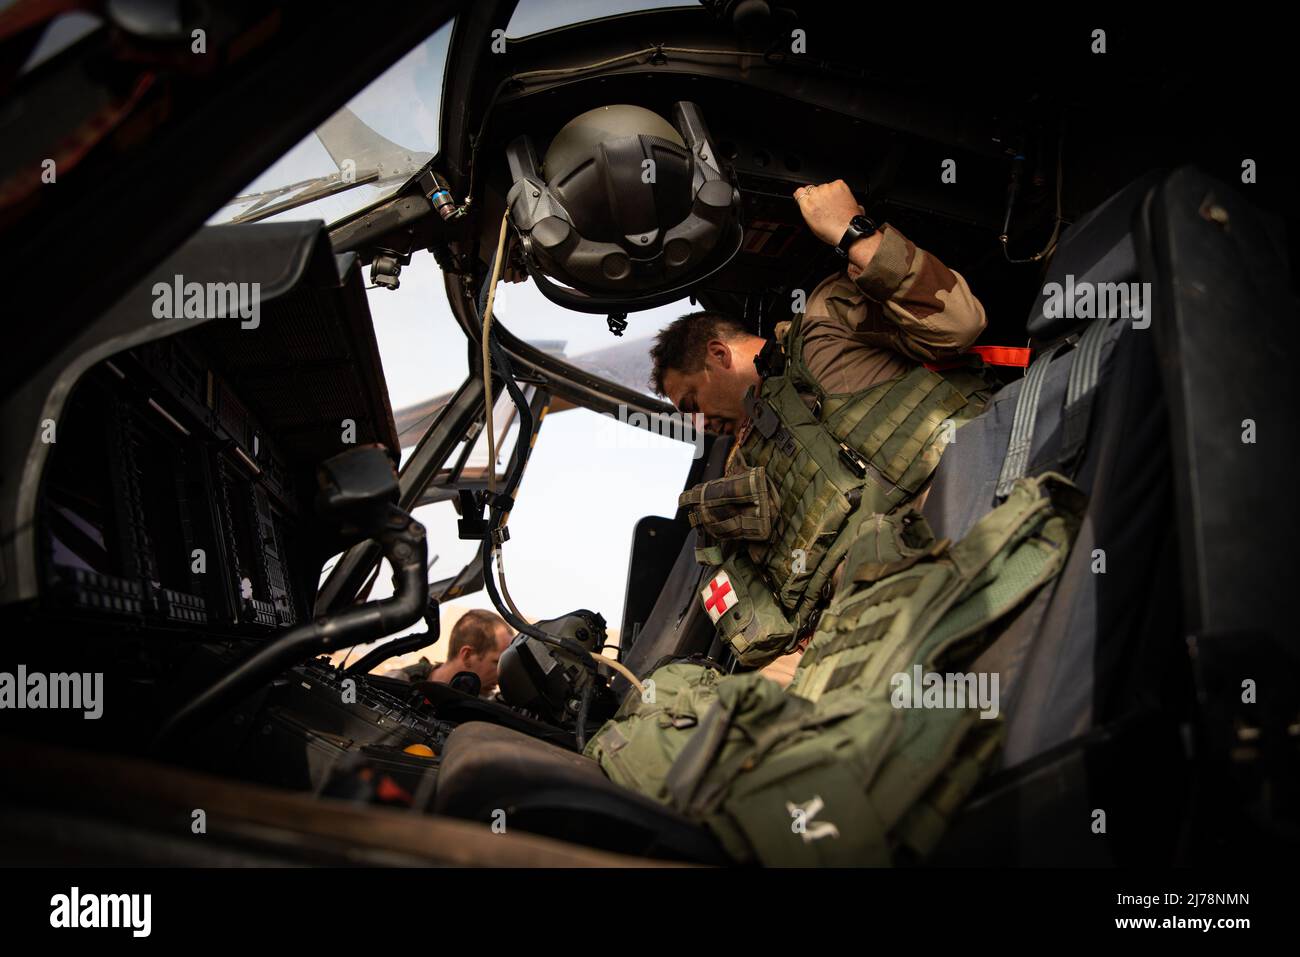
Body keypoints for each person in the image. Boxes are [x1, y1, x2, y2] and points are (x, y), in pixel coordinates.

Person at [649, 179, 990, 680]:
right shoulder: (745, 470)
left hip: (966, 521)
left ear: (718, 356)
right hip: (882, 621)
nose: (700, 422)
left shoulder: (824, 324)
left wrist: (854, 233)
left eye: (692, 402)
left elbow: (961, 322)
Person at [387, 609, 514, 695]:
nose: (500, 676)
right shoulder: (398, 684)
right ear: (467, 656)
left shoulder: (487, 709)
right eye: (496, 663)